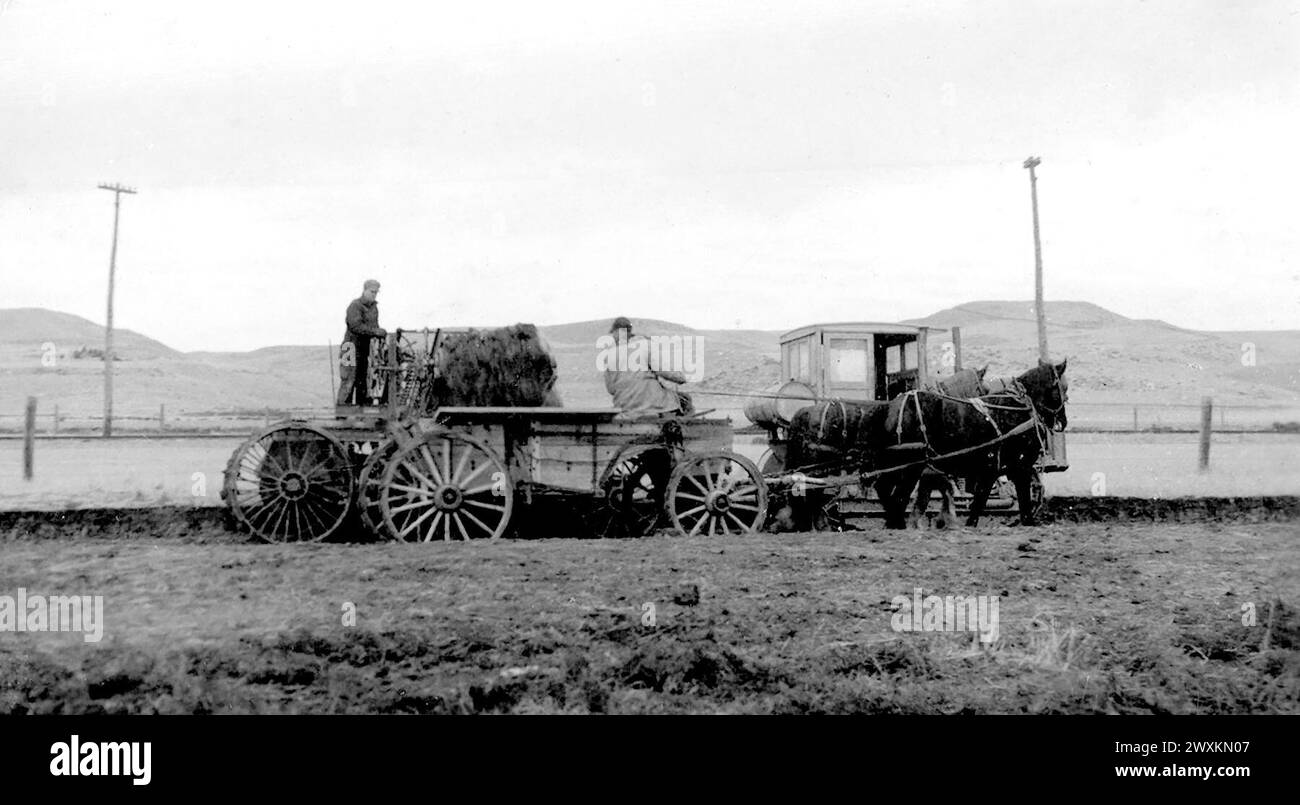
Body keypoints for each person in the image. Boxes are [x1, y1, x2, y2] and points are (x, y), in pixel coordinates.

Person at [603, 316, 694, 416]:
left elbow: (611, 389)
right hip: (650, 403)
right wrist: (681, 378)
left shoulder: (608, 355)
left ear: (616, 333)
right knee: (685, 399)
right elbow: (662, 371)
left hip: (624, 406)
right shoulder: (644, 345)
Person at [336, 279, 388, 406]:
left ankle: (361, 413)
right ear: (364, 290)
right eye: (372, 292)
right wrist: (376, 332)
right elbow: (355, 326)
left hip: (364, 348)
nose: (374, 294)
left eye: (376, 292)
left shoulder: (374, 308)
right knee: (349, 380)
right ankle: (343, 414)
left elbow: (374, 327)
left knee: (363, 380)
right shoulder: (355, 305)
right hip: (350, 348)